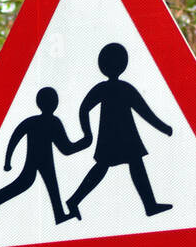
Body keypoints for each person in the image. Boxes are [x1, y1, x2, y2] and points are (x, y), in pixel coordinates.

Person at [65, 42, 173, 220]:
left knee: (125, 164)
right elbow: (144, 112)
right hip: (119, 136)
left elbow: (144, 111)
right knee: (109, 166)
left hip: (121, 136)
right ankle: (74, 200)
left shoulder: (110, 88)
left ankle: (149, 205)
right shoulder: (121, 88)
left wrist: (163, 127)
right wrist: (88, 134)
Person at [0, 86, 88, 224]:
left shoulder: (37, 121)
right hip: (38, 160)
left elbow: (65, 148)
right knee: (29, 182)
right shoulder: (52, 122)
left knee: (44, 184)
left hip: (44, 160)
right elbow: (66, 148)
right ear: (55, 103)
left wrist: (8, 161)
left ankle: (59, 214)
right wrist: (85, 142)